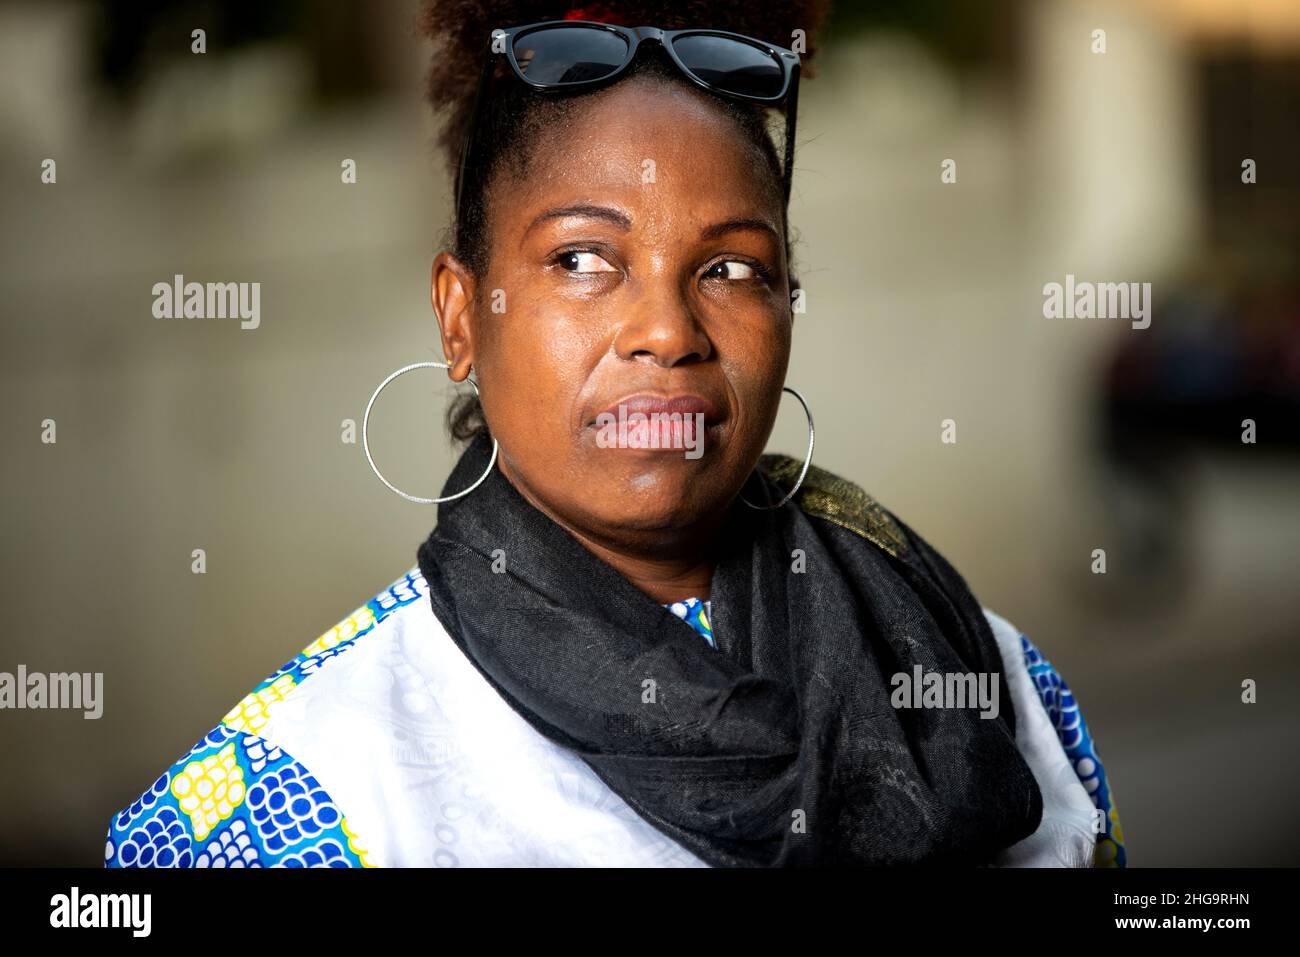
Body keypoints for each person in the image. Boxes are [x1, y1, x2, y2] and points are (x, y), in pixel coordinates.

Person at [104, 0, 1125, 868]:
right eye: (583, 260)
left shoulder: (989, 676)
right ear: (461, 314)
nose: (667, 333)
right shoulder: (299, 798)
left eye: (730, 270)